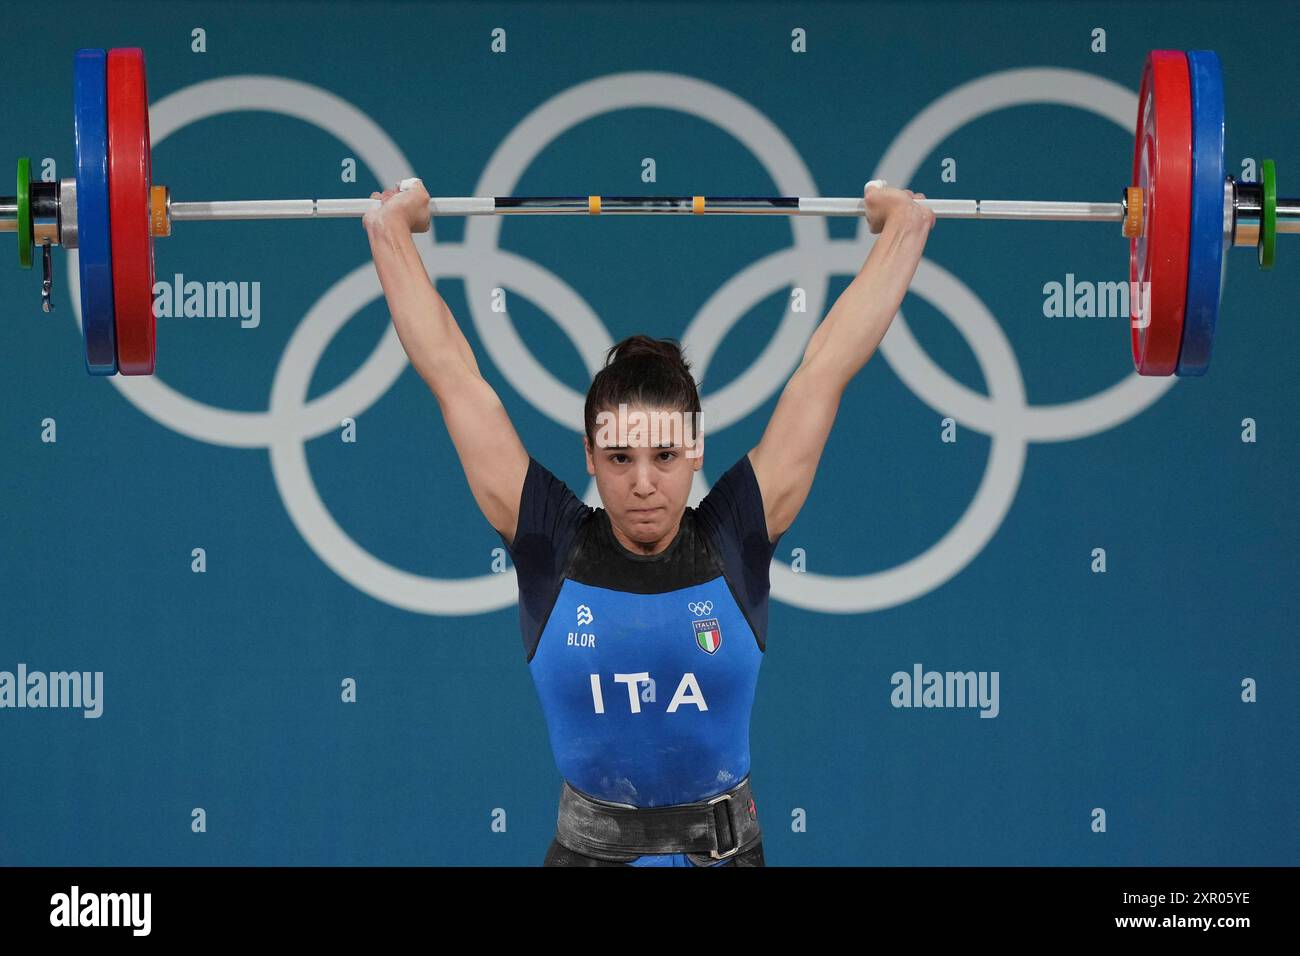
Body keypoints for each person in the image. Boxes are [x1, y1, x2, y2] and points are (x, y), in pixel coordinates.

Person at [363, 178, 934, 866]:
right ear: (590, 456)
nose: (641, 483)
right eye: (619, 457)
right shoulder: (548, 540)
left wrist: (905, 227)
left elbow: (825, 370)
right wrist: (390, 230)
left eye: (665, 456)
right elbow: (452, 374)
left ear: (695, 450)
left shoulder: (735, 536)